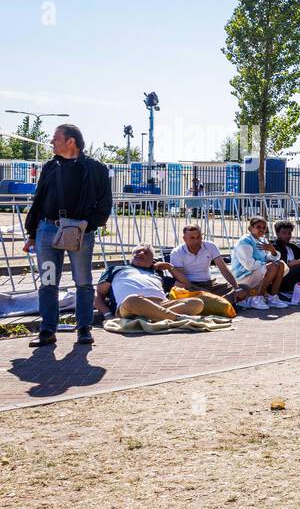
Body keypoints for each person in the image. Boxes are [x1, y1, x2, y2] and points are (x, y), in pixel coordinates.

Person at [23, 123, 112, 348]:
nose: (51, 142)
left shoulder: (96, 169)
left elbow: (104, 205)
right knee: (48, 281)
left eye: (55, 138)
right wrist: (32, 233)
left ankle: (84, 329)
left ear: (70, 141)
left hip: (79, 232)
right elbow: (39, 200)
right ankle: (47, 331)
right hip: (47, 230)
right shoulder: (50, 167)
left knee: (83, 281)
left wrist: (86, 226)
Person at [94, 246, 204, 323]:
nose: (141, 253)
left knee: (197, 303)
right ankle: (177, 318)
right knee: (132, 300)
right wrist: (108, 315)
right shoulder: (115, 270)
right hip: (130, 306)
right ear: (132, 257)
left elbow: (186, 284)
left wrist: (169, 267)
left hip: (161, 305)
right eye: (137, 252)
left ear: (152, 261)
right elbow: (98, 295)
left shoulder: (156, 275)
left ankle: (153, 317)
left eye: (146, 253)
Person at [169, 226, 243, 299]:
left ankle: (214, 301)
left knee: (244, 289)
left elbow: (223, 269)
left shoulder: (210, 246)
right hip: (190, 286)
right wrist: (200, 290)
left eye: (199, 237)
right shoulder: (177, 253)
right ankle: (218, 301)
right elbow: (182, 280)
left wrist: (236, 287)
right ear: (184, 239)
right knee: (183, 289)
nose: (196, 241)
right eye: (192, 238)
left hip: (209, 284)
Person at [229, 217, 287, 309]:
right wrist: (267, 264)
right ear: (250, 228)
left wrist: (272, 251)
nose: (262, 230)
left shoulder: (262, 240)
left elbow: (267, 258)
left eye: (264, 227)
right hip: (243, 277)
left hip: (255, 273)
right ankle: (258, 298)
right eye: (258, 227)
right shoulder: (244, 241)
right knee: (273, 267)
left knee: (280, 265)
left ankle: (273, 297)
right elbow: (249, 265)